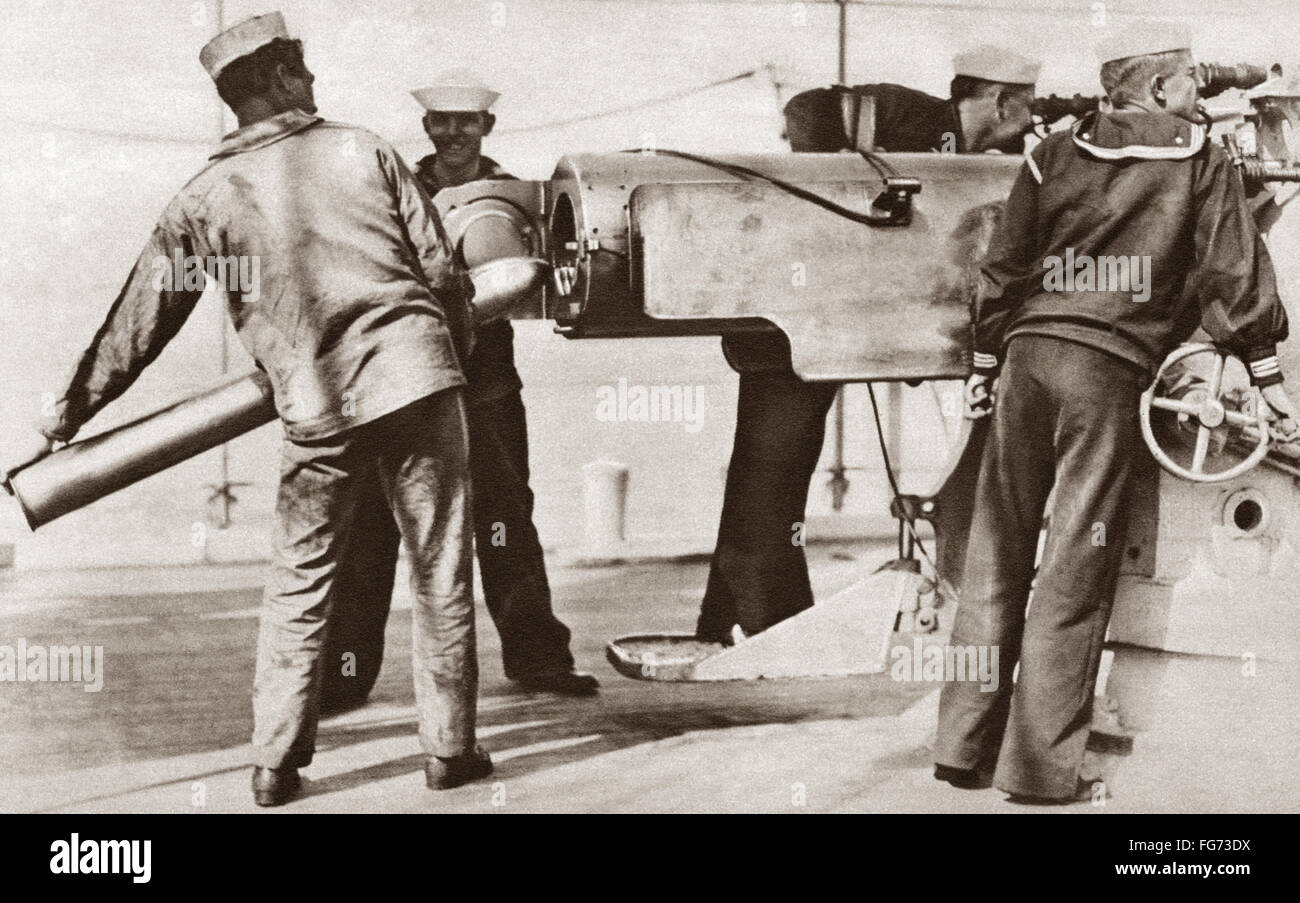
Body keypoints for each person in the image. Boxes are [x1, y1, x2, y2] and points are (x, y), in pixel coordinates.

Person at [0, 12, 492, 805]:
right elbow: (443, 275)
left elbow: (139, 324)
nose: (315, 82)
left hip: (314, 407)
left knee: (299, 580)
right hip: (416, 383)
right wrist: (448, 362)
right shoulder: (363, 148)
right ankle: (448, 751)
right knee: (439, 568)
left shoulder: (202, 199)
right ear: (282, 80)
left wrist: (66, 419)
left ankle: (273, 763)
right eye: (305, 70)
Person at [933, 28, 1300, 802]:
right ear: (1163, 90)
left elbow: (1001, 269)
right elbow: (1232, 275)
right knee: (1073, 565)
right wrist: (1267, 380)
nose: (1197, 98)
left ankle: (962, 746)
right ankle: (1039, 771)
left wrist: (982, 365)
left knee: (995, 552)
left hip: (1027, 362)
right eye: (1190, 86)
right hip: (1103, 374)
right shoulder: (1202, 158)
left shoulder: (1051, 154)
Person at [695, 47, 1041, 646]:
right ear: (1002, 101)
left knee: (769, 468)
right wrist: (855, 175)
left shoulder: (974, 157)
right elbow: (804, 111)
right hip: (794, 319)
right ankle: (772, 619)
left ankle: (728, 614)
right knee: (773, 467)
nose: (1032, 122)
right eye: (1026, 108)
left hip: (841, 326)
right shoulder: (913, 114)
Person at [320, 73, 597, 707]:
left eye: (464, 121)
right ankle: (343, 673)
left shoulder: (511, 196)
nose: (452, 133)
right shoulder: (393, 188)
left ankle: (538, 659)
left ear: (486, 128)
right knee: (371, 526)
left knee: (505, 521)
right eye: (440, 121)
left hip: (487, 383)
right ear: (426, 127)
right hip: (401, 379)